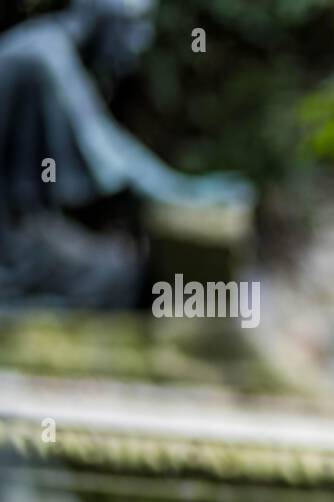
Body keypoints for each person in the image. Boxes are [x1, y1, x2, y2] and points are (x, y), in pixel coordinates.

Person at [0, 0, 252, 309]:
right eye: (133, 30)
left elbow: (111, 141)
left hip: (19, 229)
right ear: (105, 23)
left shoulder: (50, 46)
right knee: (128, 278)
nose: (139, 44)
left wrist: (182, 189)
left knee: (115, 264)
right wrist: (180, 192)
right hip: (10, 248)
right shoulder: (45, 60)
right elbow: (108, 157)